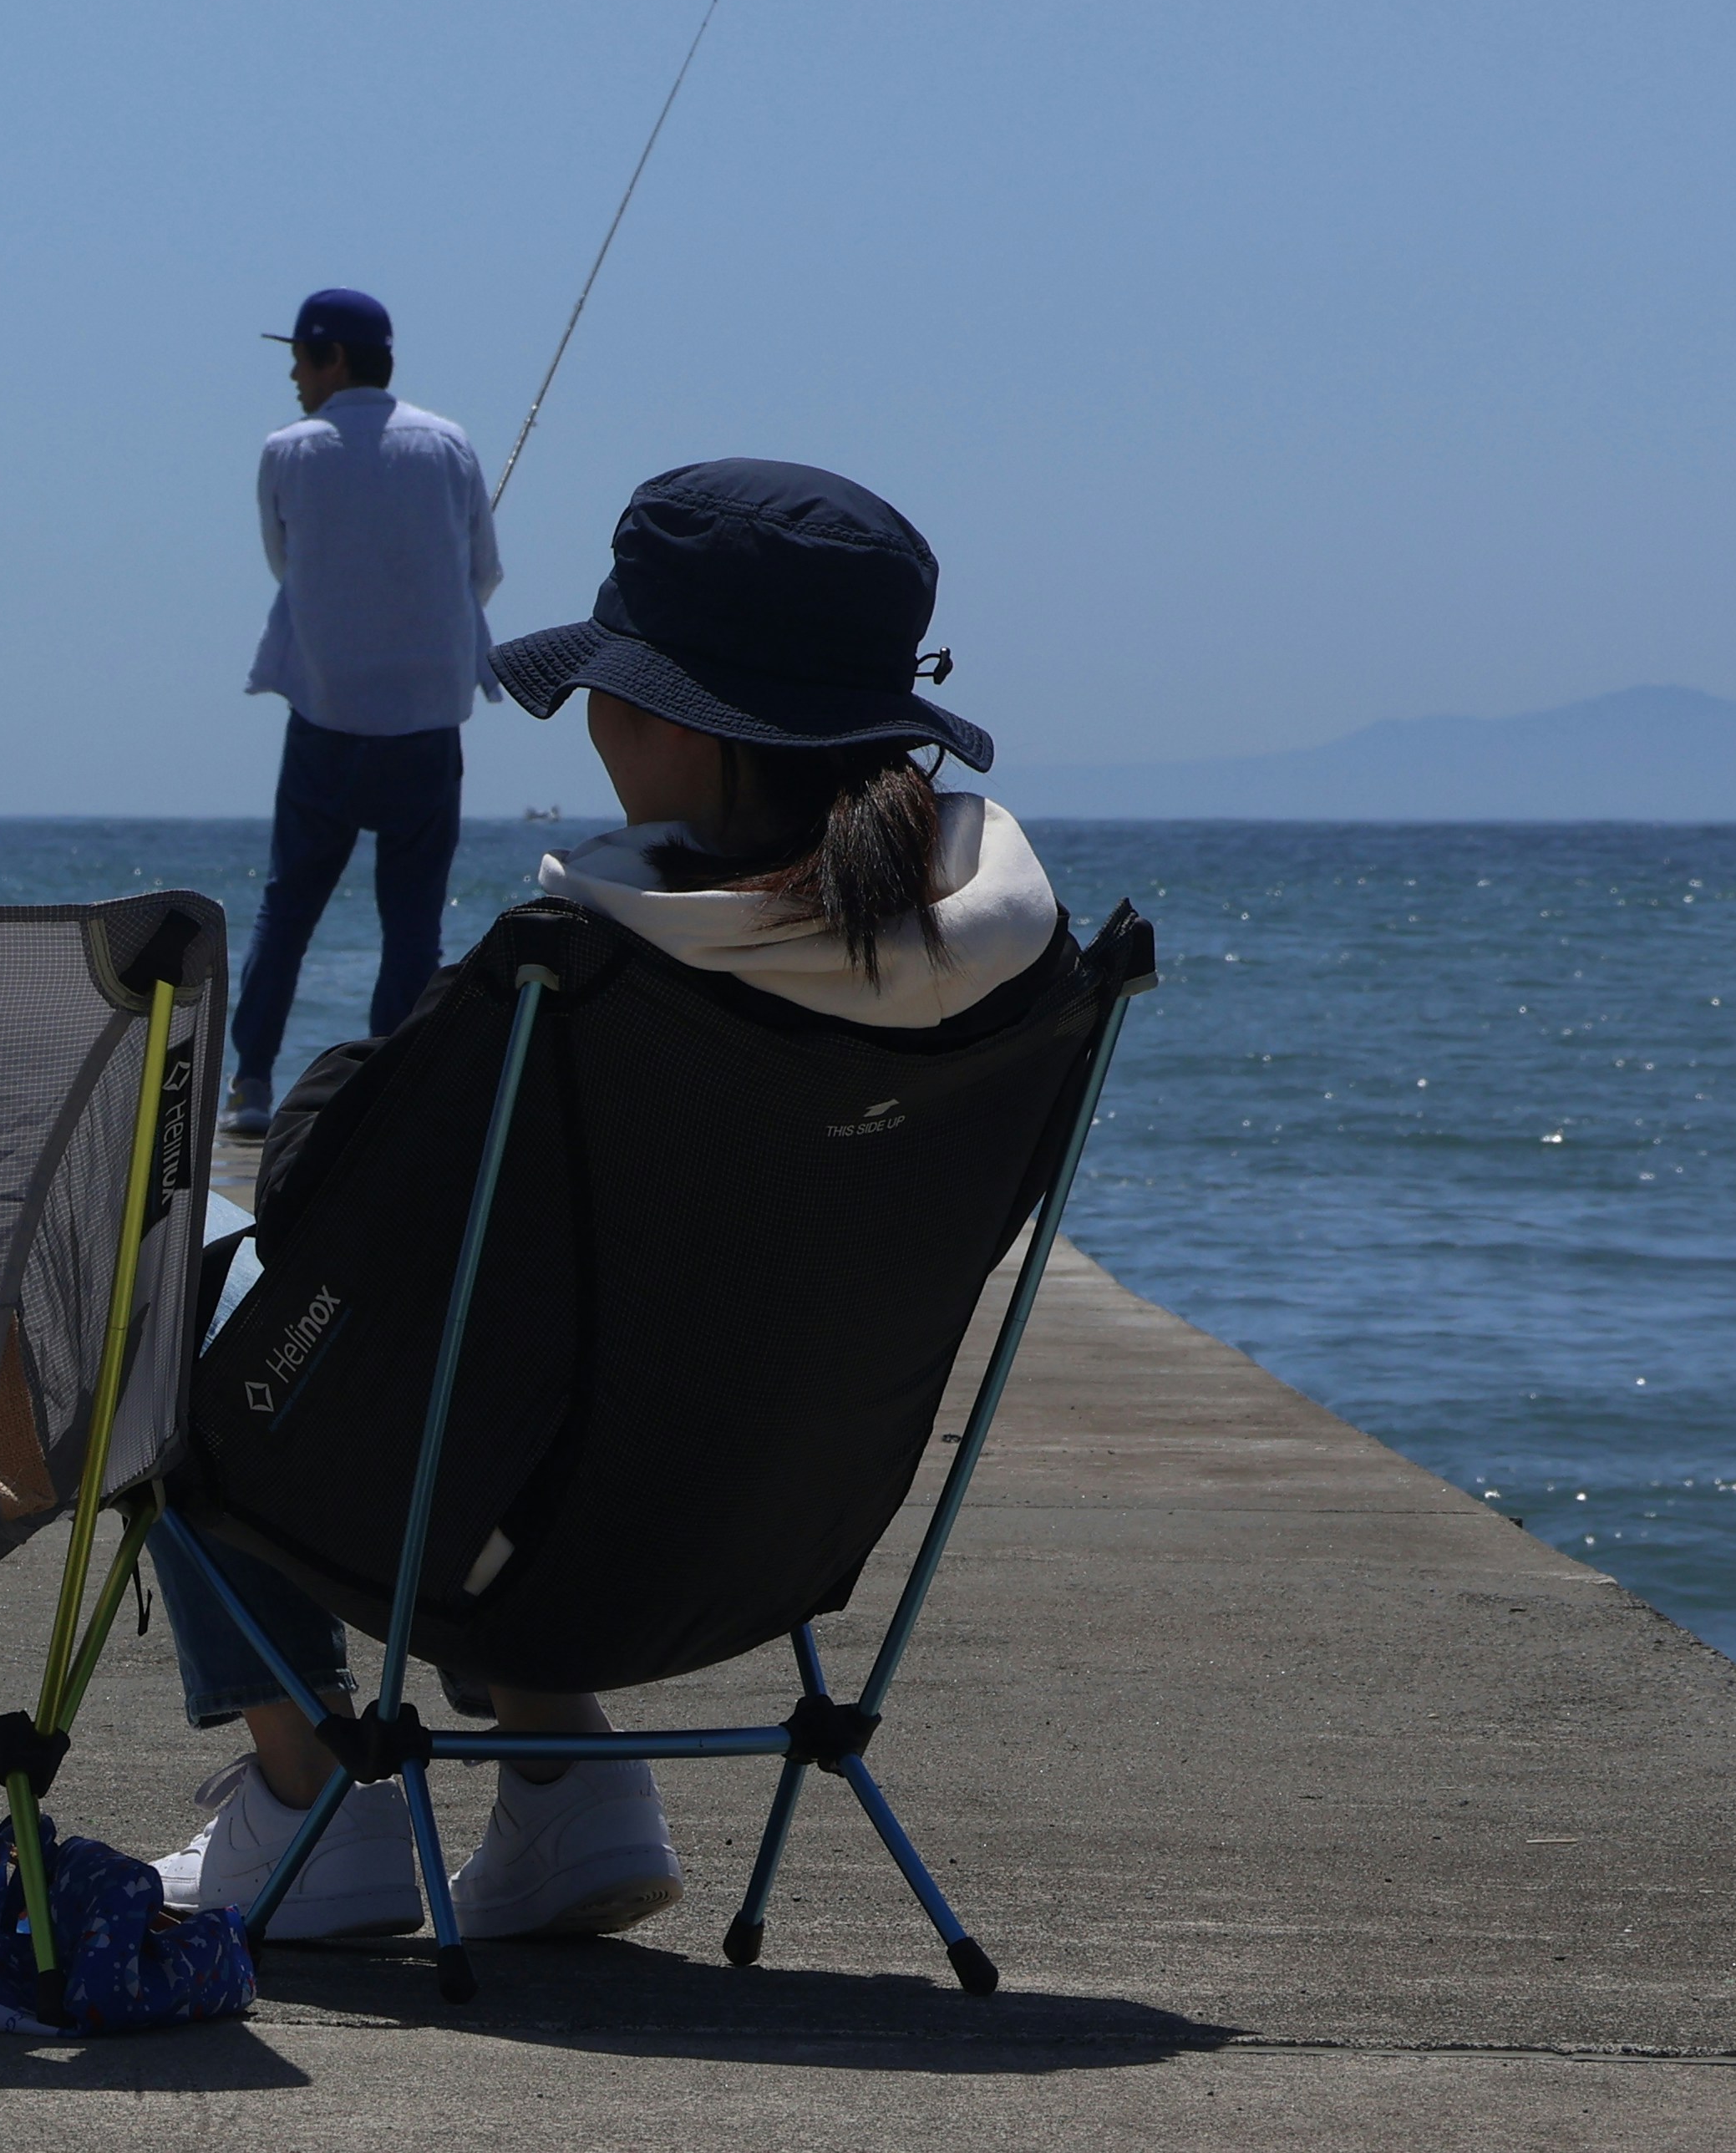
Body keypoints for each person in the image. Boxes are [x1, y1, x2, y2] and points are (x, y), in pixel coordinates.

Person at [155, 459, 1067, 1951]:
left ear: (673, 727)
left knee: (167, 1247)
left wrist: (321, 1085)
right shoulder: (1017, 975)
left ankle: (313, 1794)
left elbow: (326, 1195)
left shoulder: (580, 968)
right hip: (766, 1539)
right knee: (561, 1316)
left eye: (608, 692)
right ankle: (569, 1784)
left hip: (508, 1528)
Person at [229, 288, 501, 1139]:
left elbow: (285, 564)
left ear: (333, 358)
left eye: (302, 358)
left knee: (288, 909)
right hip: (426, 719)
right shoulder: (449, 442)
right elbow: (484, 571)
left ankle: (251, 1086)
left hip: (327, 714)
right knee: (412, 919)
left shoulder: (289, 451)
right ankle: (390, 1078)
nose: (293, 375)